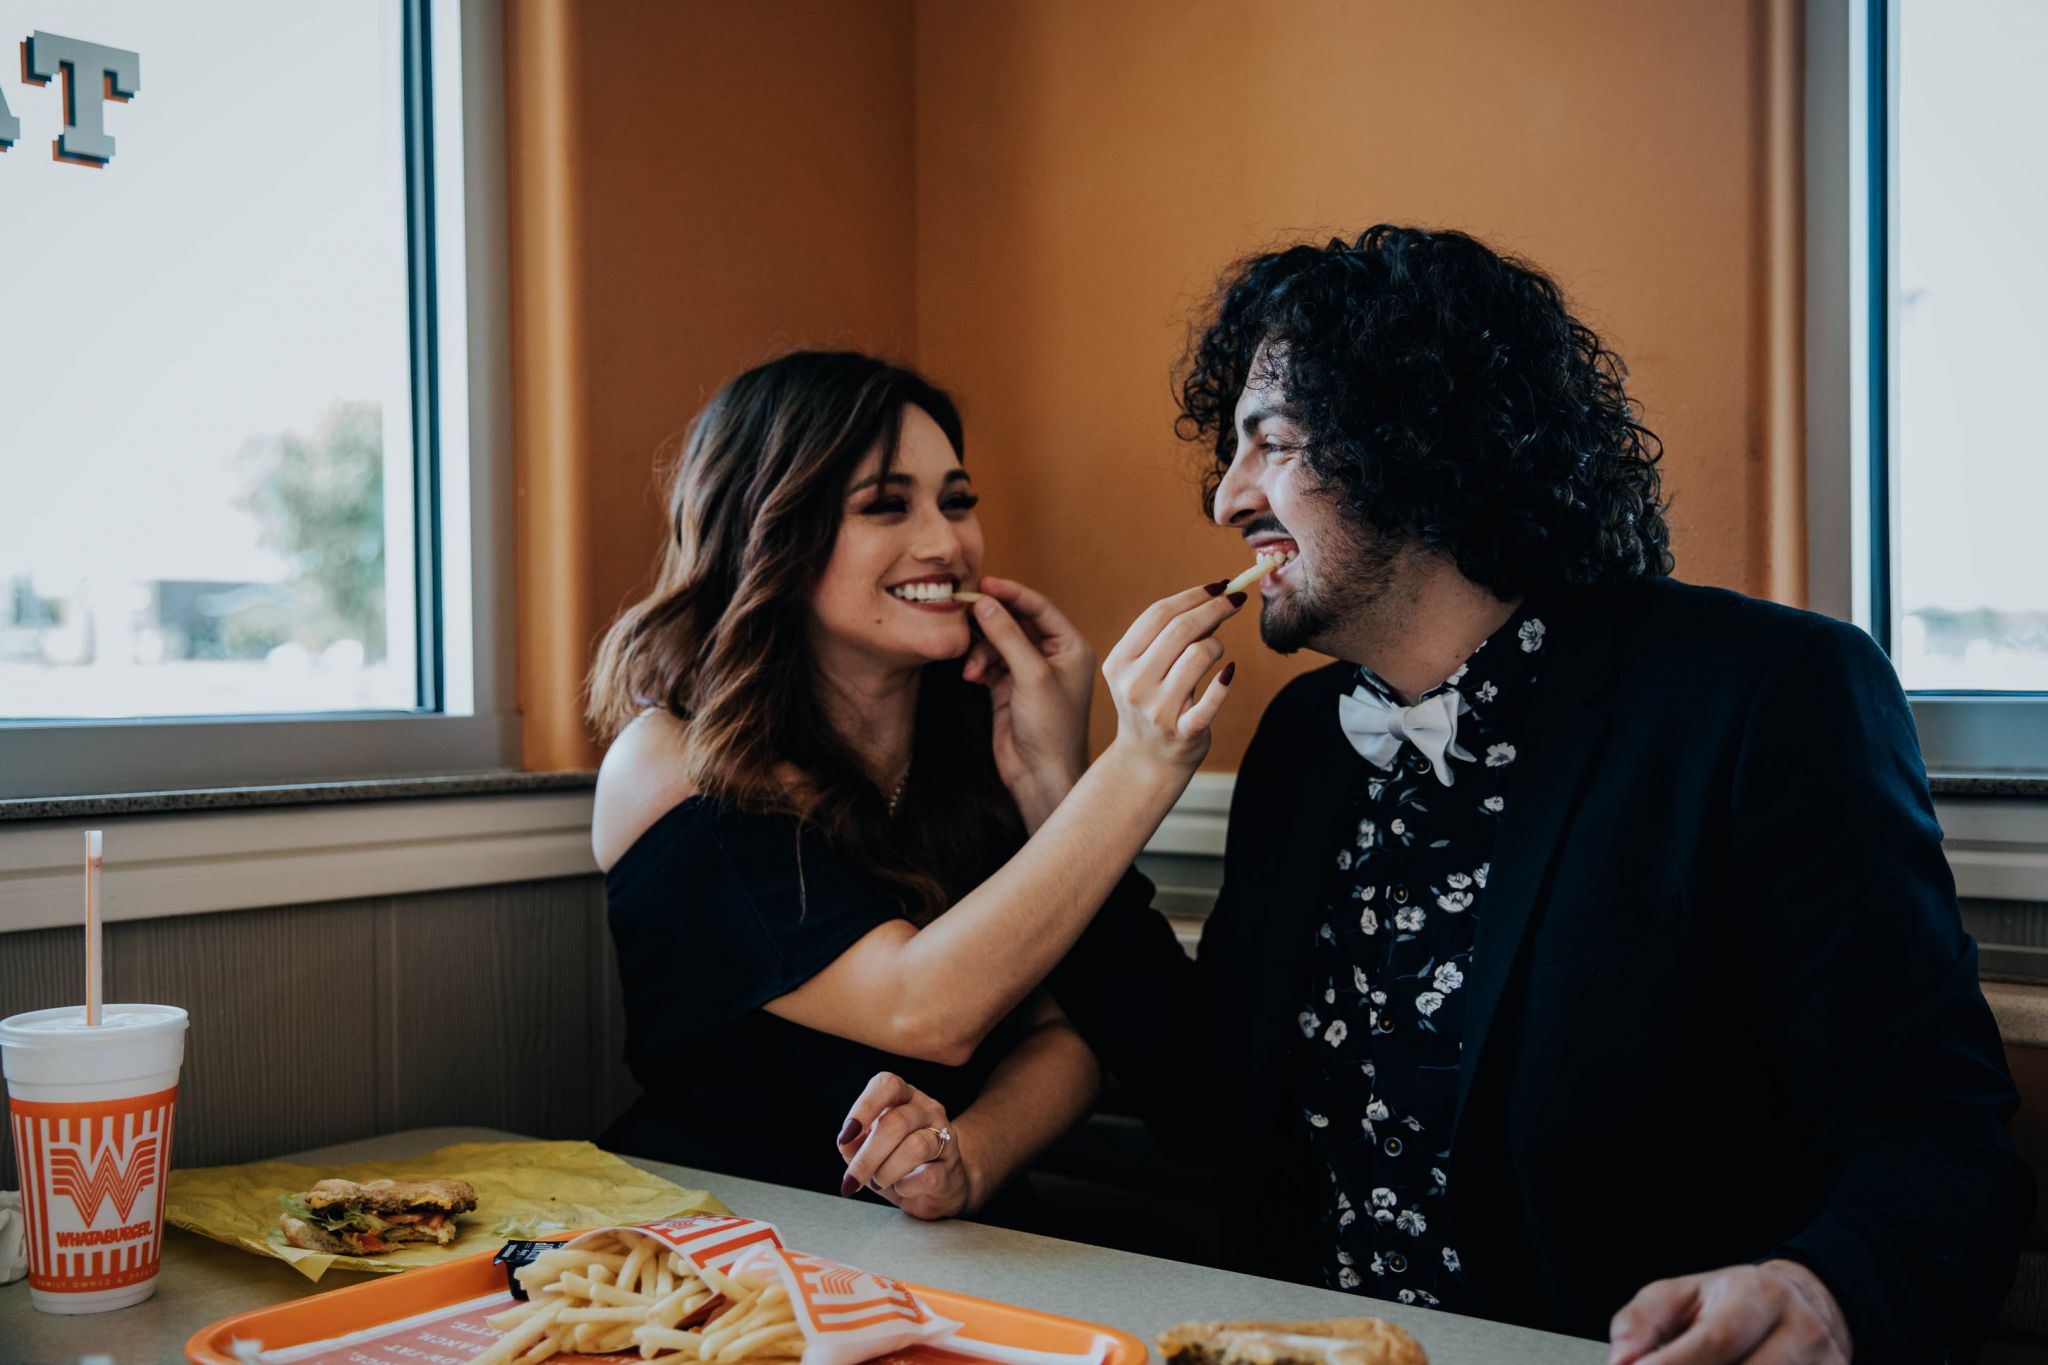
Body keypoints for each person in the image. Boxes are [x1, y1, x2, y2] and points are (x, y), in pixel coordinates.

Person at [1043, 226, 2030, 1362]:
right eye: (1228, 455)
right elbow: (1201, 1105)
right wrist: (1057, 796)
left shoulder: (1763, 697)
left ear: (1412, 437)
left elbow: (1933, 1138)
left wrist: (1823, 1293)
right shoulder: (1305, 741)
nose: (1226, 499)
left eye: (1268, 445)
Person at [585, 350, 1240, 1225]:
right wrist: (1137, 765)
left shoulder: (982, 739)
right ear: (766, 528)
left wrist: (967, 1159)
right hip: (728, 1243)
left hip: (960, 1242)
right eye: (886, 505)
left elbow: (1066, 1031)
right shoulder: (670, 761)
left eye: (957, 501)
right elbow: (925, 1005)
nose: (946, 541)